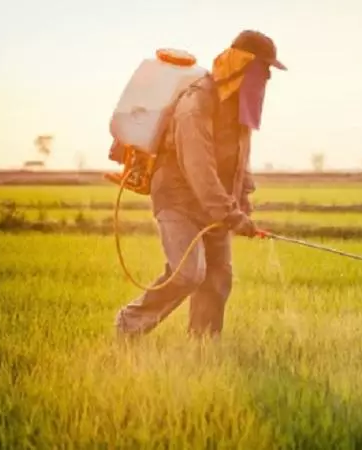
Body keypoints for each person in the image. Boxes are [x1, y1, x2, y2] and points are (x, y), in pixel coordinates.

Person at [114, 30, 287, 340]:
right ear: (242, 64)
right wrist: (230, 214)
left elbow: (240, 160)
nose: (267, 78)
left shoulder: (240, 105)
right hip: (178, 197)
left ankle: (203, 346)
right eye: (264, 69)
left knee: (218, 277)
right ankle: (129, 325)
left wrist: (242, 201)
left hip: (215, 204)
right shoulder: (198, 101)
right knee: (188, 273)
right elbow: (199, 167)